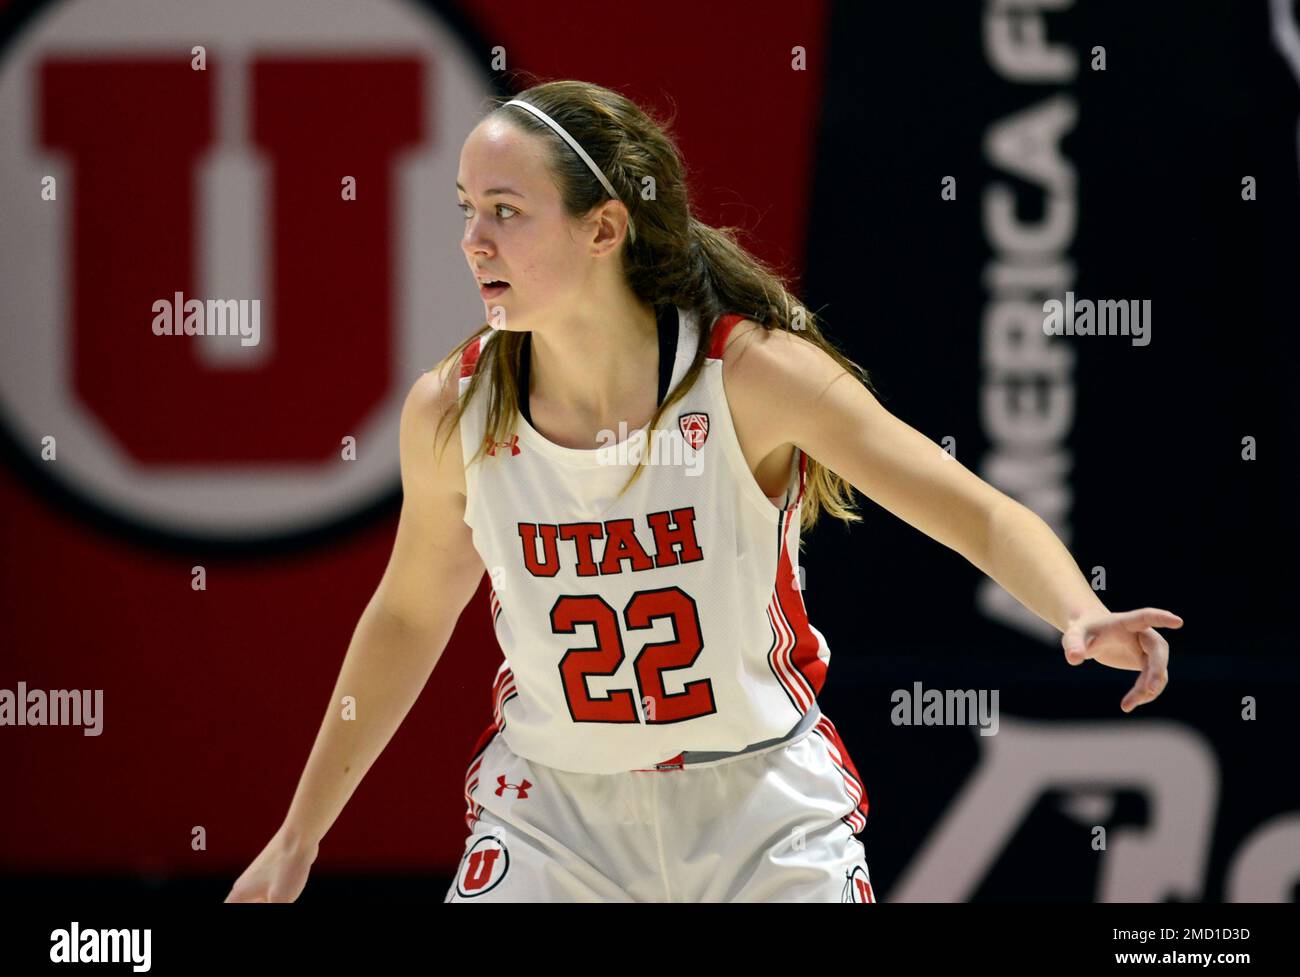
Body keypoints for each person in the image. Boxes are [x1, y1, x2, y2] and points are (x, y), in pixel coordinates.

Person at [226, 79, 1183, 904]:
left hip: (761, 812)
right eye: (466, 209)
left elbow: (972, 507)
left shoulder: (753, 377)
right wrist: (300, 832)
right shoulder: (455, 411)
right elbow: (406, 615)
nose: (474, 240)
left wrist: (1077, 610)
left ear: (604, 227)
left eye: (506, 212)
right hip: (554, 820)